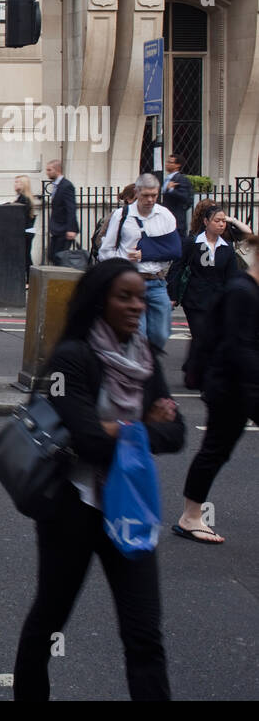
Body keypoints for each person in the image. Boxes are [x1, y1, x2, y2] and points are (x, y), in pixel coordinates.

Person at [13, 259, 184, 701]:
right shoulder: (72, 358)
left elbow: (177, 433)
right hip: (72, 507)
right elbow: (87, 440)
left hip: (128, 507)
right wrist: (141, 425)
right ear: (99, 301)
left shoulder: (145, 358)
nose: (135, 307)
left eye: (140, 298)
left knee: (144, 634)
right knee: (49, 620)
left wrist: (120, 429)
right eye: (123, 297)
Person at [175, 236, 259, 546]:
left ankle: (190, 515)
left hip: (238, 385)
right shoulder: (243, 291)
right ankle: (190, 516)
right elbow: (240, 348)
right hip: (231, 387)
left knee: (216, 450)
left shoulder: (248, 290)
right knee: (214, 450)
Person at [98, 173, 178, 352]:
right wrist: (122, 265)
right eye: (145, 195)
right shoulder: (121, 215)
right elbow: (105, 251)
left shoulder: (165, 215)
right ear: (136, 192)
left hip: (157, 281)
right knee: (137, 334)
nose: (150, 200)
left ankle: (147, 361)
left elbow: (174, 250)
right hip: (130, 282)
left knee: (161, 333)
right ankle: (140, 369)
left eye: (154, 195)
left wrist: (147, 254)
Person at [174, 202, 237, 387]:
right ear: (206, 221)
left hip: (217, 299)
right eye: (217, 220)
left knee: (211, 338)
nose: (221, 224)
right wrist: (173, 295)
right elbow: (178, 267)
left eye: (223, 221)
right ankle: (197, 374)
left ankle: (194, 368)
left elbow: (231, 276)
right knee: (200, 335)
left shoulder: (227, 248)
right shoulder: (193, 243)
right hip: (195, 298)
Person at [46, 159, 79, 263]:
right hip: (57, 229)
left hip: (64, 229)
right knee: (52, 255)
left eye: (49, 170)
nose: (47, 172)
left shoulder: (66, 186)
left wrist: (71, 229)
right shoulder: (57, 185)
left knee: (59, 258)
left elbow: (71, 208)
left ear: (58, 170)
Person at [12, 175, 39, 277]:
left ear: (23, 184)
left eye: (17, 182)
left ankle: (29, 278)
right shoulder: (23, 198)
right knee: (26, 255)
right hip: (29, 230)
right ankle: (28, 278)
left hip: (27, 231)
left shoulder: (24, 199)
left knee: (25, 255)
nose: (15, 184)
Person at [162, 154, 193, 237]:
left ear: (178, 165)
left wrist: (171, 190)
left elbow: (186, 198)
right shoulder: (166, 179)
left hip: (177, 222)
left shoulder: (181, 179)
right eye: (167, 162)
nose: (167, 164)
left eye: (170, 162)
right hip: (164, 220)